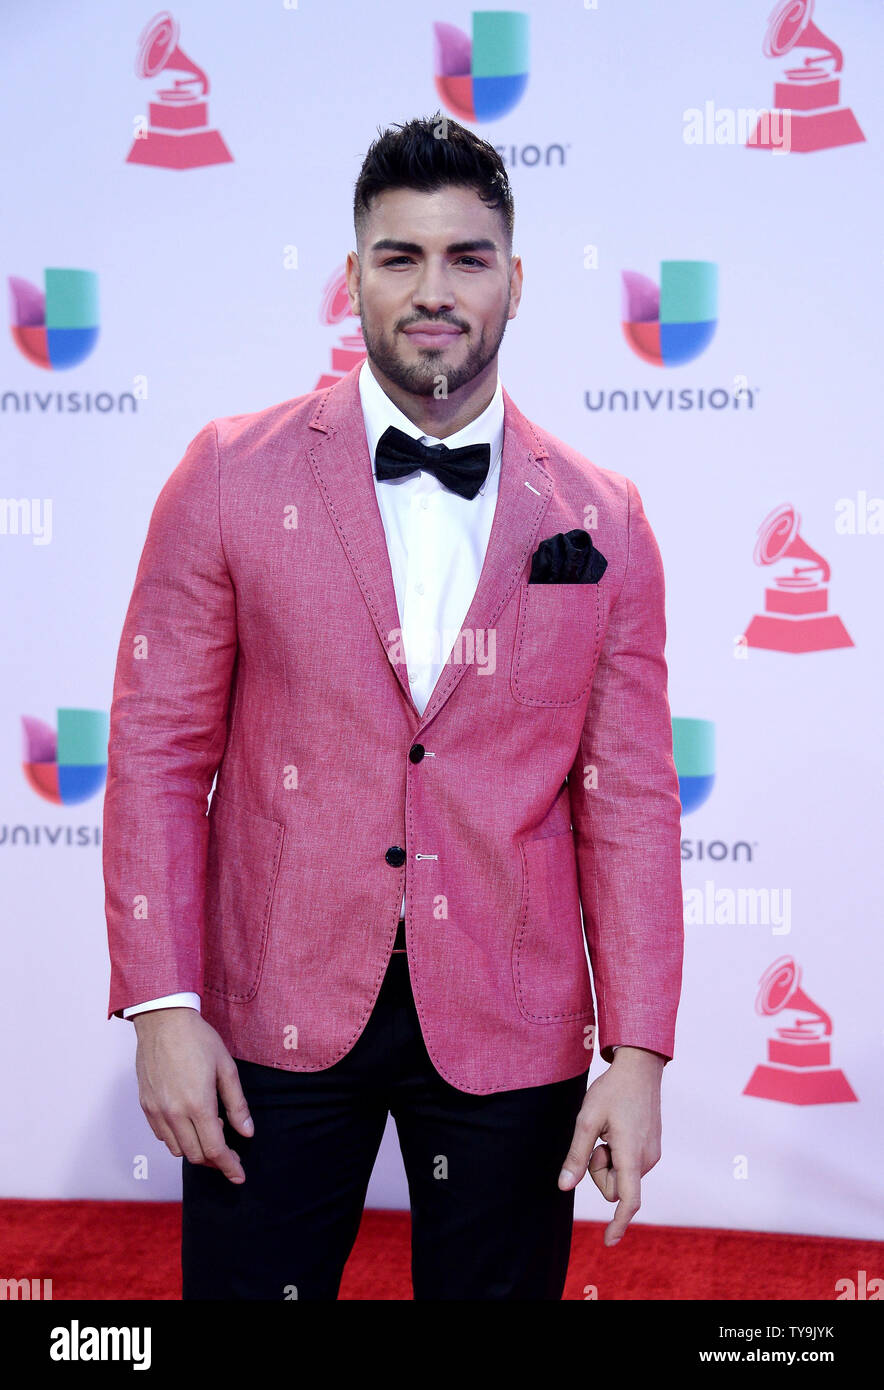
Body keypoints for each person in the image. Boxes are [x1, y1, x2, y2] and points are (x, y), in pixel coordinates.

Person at [103, 113, 684, 1301]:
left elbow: (627, 797)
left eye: (466, 257)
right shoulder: (226, 472)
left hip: (510, 1019)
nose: (433, 289)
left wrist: (635, 1055)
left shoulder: (602, 514)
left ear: (514, 283)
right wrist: (162, 1005)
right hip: (273, 1006)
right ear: (352, 274)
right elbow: (157, 752)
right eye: (398, 256)